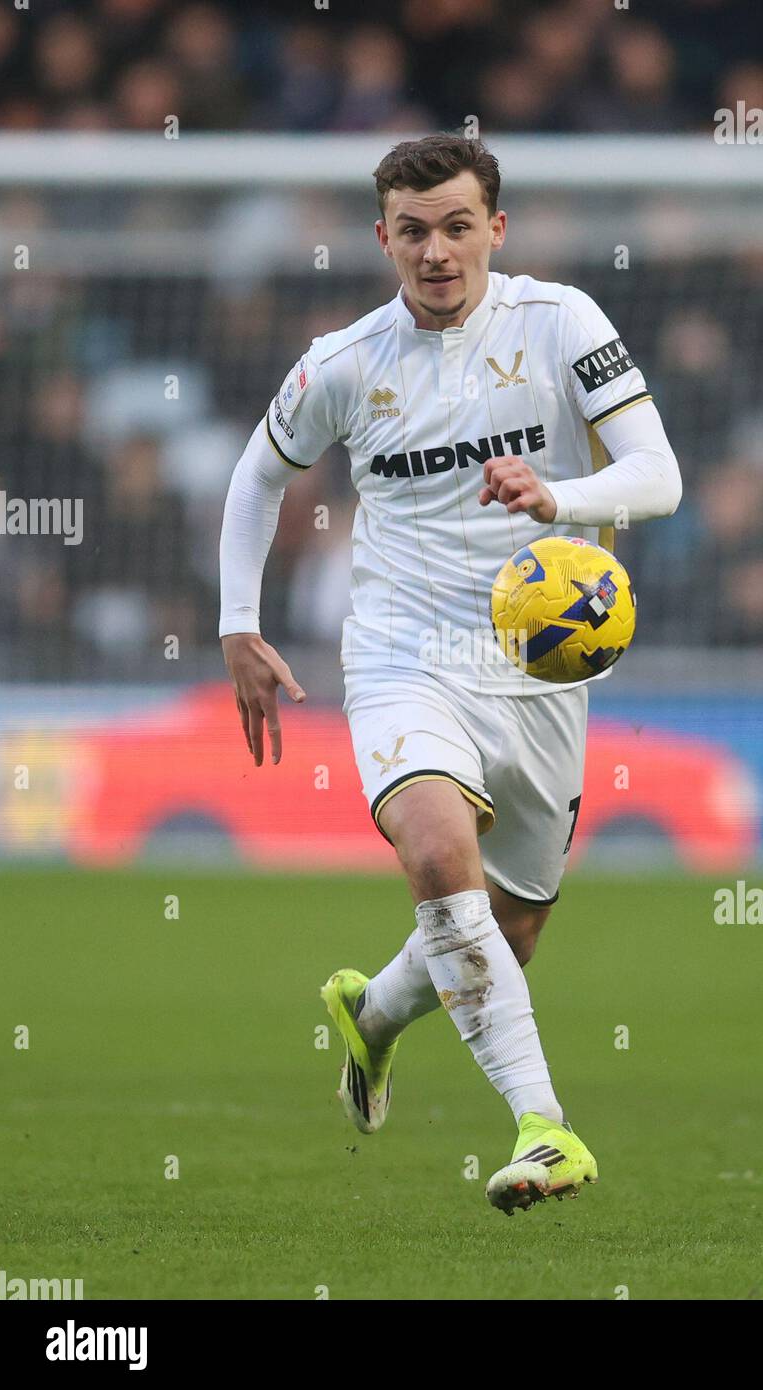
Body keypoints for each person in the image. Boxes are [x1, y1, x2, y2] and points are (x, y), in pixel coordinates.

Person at [218, 133, 681, 1213]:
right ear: (382, 238)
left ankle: (373, 1013)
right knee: (437, 854)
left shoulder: (562, 321)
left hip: (540, 665)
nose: (436, 252)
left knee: (508, 929)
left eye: (458, 227)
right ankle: (545, 1127)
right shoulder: (345, 361)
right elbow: (255, 479)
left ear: (496, 231)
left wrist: (558, 498)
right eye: (414, 232)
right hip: (402, 653)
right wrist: (239, 624)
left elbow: (658, 475)